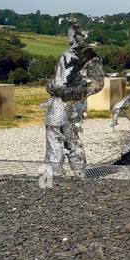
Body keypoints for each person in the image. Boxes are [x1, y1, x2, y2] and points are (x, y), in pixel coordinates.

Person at [44, 20, 104, 174]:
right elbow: (98, 83)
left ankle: (54, 174)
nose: (67, 37)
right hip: (78, 105)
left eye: (68, 33)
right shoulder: (93, 55)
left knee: (55, 137)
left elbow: (59, 85)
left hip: (59, 104)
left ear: (74, 34)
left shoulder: (68, 56)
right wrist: (81, 93)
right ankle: (79, 172)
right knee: (73, 139)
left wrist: (49, 86)